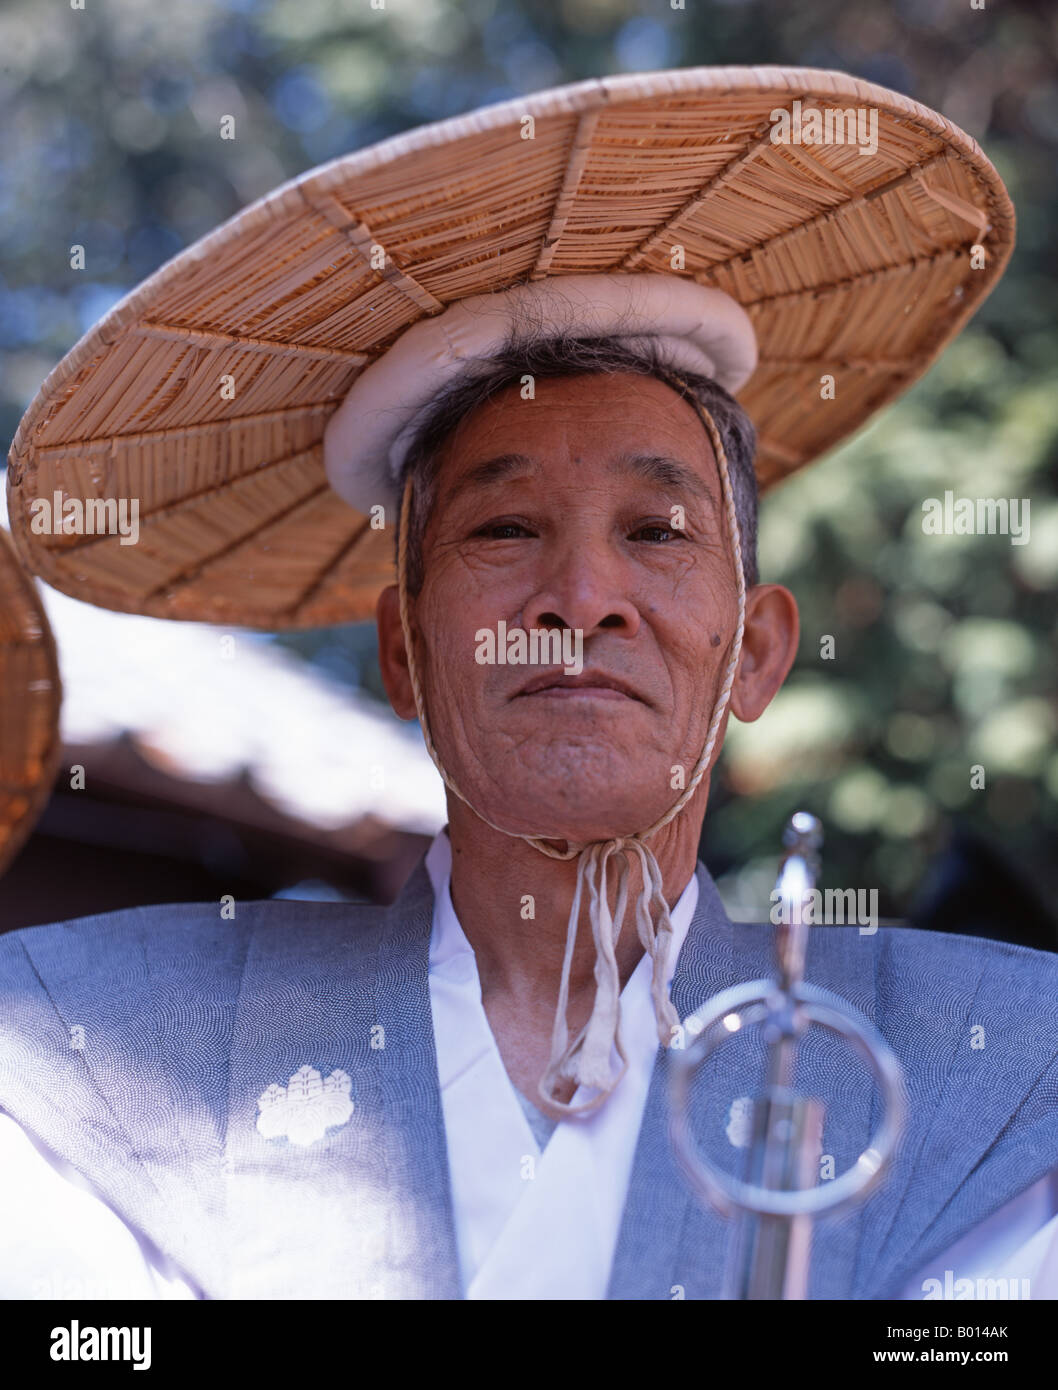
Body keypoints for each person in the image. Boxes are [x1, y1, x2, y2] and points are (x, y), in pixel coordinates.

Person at [2, 66, 1056, 1301]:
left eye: (657, 532)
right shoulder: (76, 1053)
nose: (580, 596)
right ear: (404, 652)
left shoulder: (1004, 1078)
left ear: (758, 652)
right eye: (503, 532)